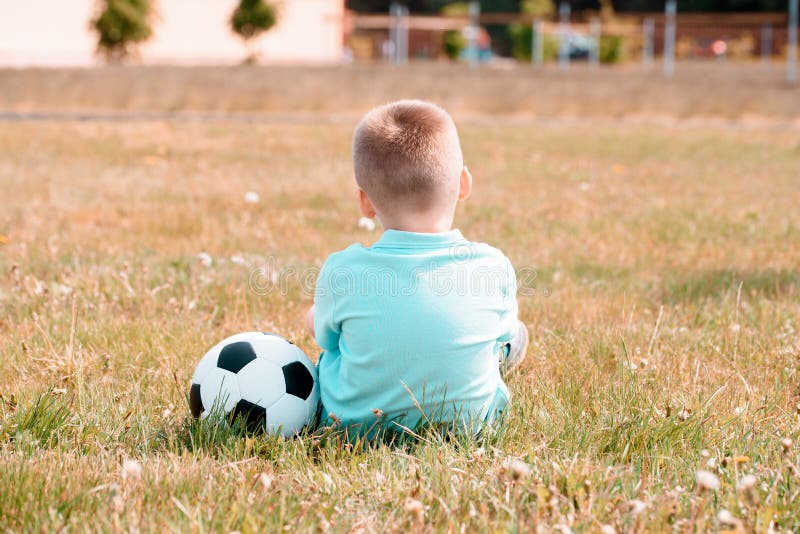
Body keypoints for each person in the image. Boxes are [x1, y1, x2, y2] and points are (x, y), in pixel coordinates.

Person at [304, 100, 528, 439]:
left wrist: (312, 315)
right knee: (511, 334)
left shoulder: (342, 271)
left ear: (365, 202)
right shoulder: (492, 266)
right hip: (470, 427)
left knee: (330, 331)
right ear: (464, 183)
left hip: (354, 430)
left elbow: (325, 338)